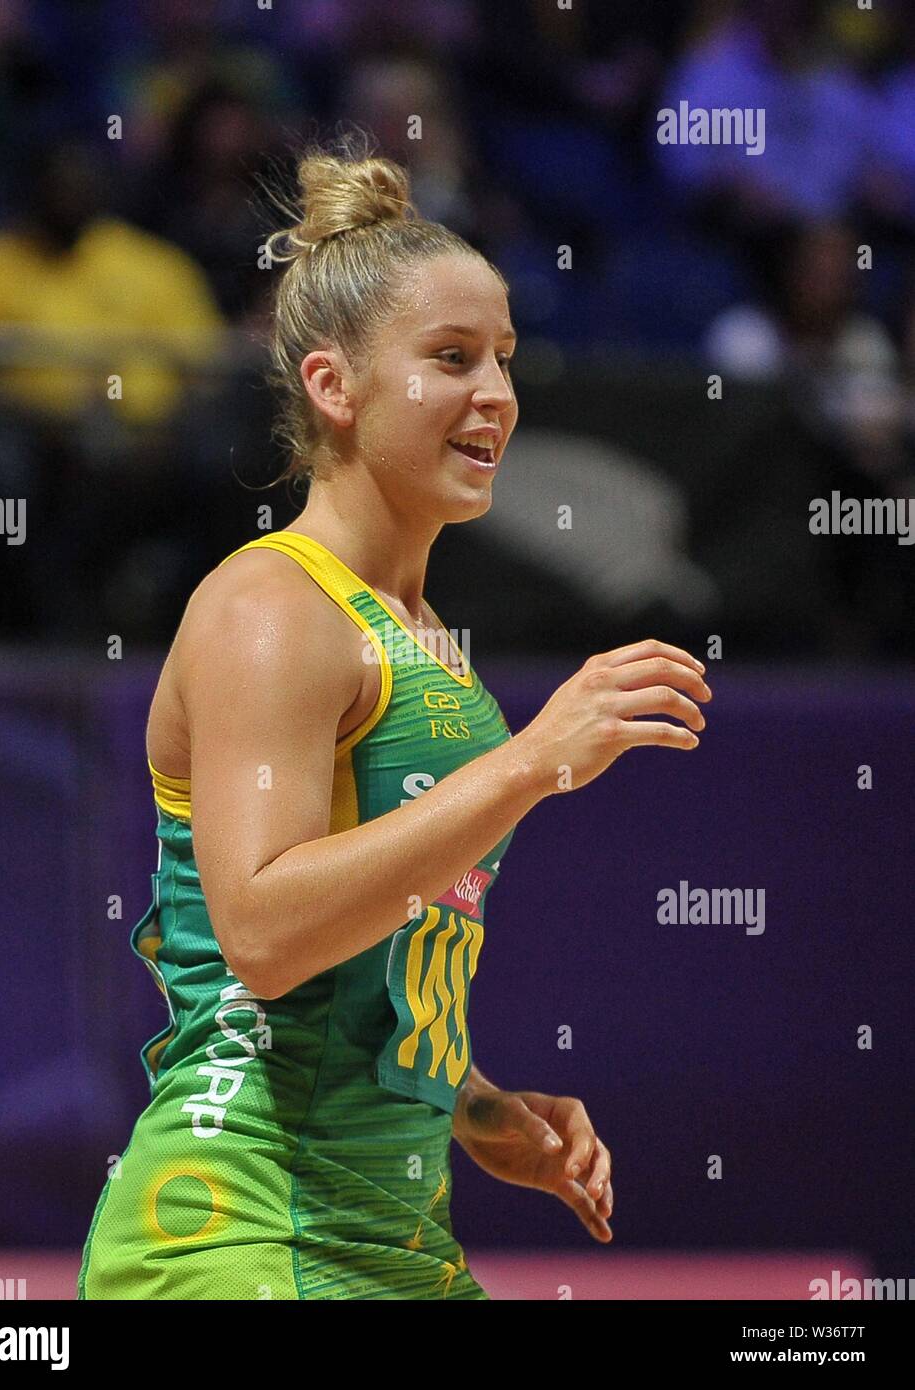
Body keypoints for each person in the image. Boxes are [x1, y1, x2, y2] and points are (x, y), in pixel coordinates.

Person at [77, 133, 711, 1301]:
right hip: (240, 1236)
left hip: (394, 1241)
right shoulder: (271, 607)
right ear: (334, 384)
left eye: (507, 359)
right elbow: (262, 935)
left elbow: (366, 953)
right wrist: (530, 765)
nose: (498, 397)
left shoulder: (420, 636)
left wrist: (471, 1103)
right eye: (453, 357)